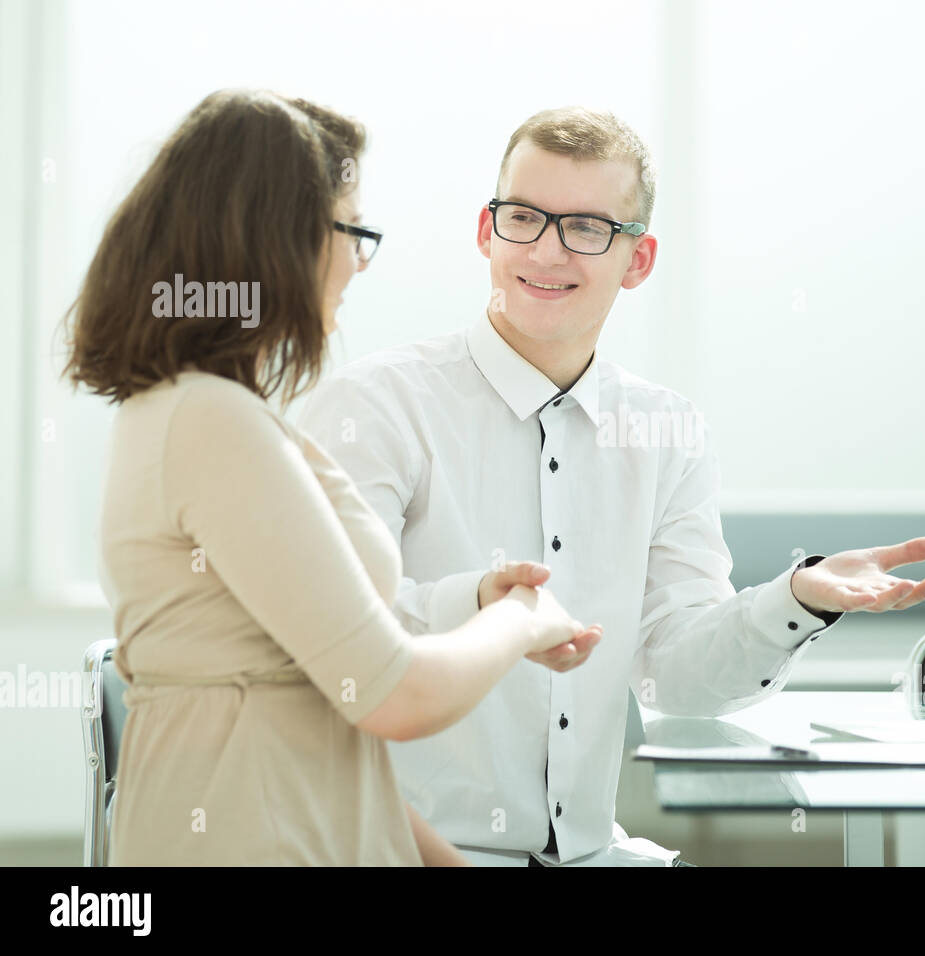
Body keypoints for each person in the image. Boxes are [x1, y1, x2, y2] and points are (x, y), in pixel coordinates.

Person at [297, 106, 925, 866]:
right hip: (406, 853)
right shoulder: (376, 405)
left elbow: (677, 673)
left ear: (637, 261)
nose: (546, 249)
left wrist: (797, 599)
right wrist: (488, 605)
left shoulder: (667, 432)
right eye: (524, 218)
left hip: (592, 854)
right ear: (486, 231)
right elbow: (339, 635)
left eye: (587, 228)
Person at [61, 90, 601, 866]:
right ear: (278, 240)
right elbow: (397, 695)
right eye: (352, 231)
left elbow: (331, 724)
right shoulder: (210, 424)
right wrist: (521, 619)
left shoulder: (212, 415)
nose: (357, 261)